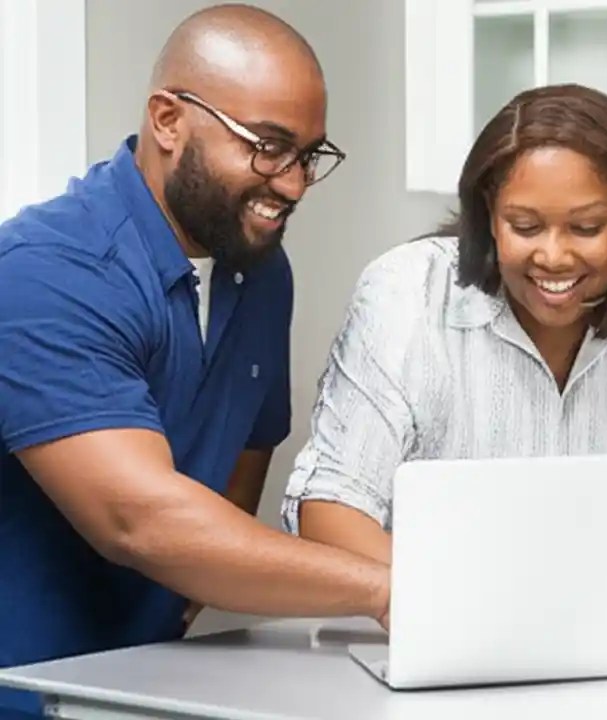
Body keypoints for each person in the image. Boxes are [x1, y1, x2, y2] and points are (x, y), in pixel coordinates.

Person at [0, 6, 389, 717]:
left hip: (147, 689)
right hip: (26, 695)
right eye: (267, 147)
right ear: (168, 120)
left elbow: (246, 448)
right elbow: (140, 521)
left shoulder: (260, 272)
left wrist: (194, 582)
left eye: (309, 155)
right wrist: (387, 586)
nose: (295, 184)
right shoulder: (45, 274)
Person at [281, 84, 607, 562]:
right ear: (488, 216)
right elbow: (329, 508)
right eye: (525, 226)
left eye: (587, 228)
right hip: (425, 619)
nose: (553, 256)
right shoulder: (406, 292)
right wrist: (459, 597)